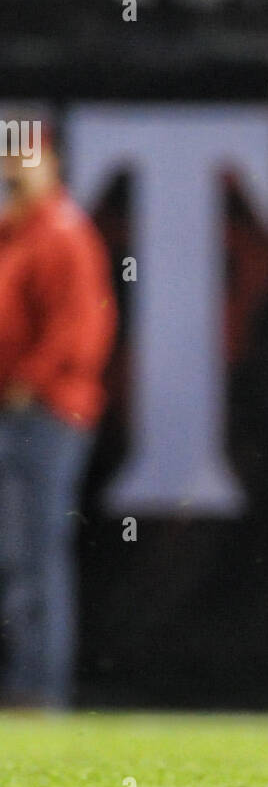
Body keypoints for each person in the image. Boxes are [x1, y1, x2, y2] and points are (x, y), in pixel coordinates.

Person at [0, 120, 116, 707]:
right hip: (17, 412)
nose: (13, 167)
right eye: (6, 156)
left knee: (35, 554)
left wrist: (28, 384)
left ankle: (36, 692)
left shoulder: (62, 232)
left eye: (24, 156)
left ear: (51, 162)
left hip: (44, 415)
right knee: (18, 553)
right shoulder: (16, 232)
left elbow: (81, 332)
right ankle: (27, 686)